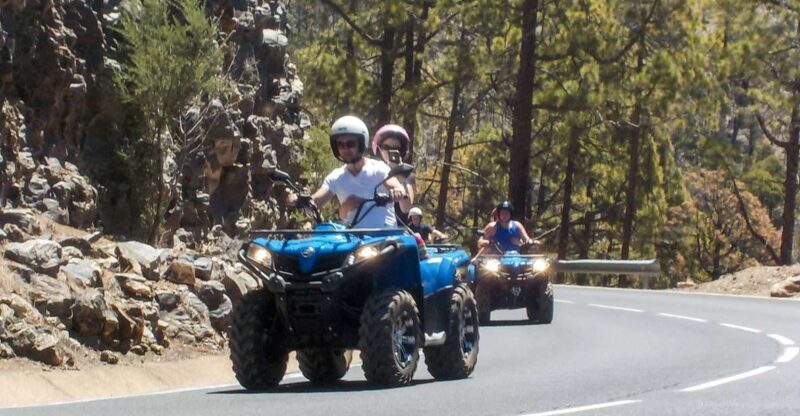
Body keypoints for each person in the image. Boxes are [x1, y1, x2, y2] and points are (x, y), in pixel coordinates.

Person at [294, 116, 410, 228]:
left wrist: (398, 191)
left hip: (384, 238)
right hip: (353, 240)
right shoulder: (336, 177)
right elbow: (315, 202)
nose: (345, 149)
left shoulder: (378, 168)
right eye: (340, 145)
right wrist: (297, 200)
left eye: (350, 144)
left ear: (361, 143)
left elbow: (394, 184)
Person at [371, 124, 416, 225]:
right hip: (372, 227)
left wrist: (398, 172)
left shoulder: (408, 175)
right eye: (386, 147)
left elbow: (406, 208)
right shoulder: (371, 171)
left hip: (397, 230)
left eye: (396, 148)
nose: (390, 151)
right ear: (379, 149)